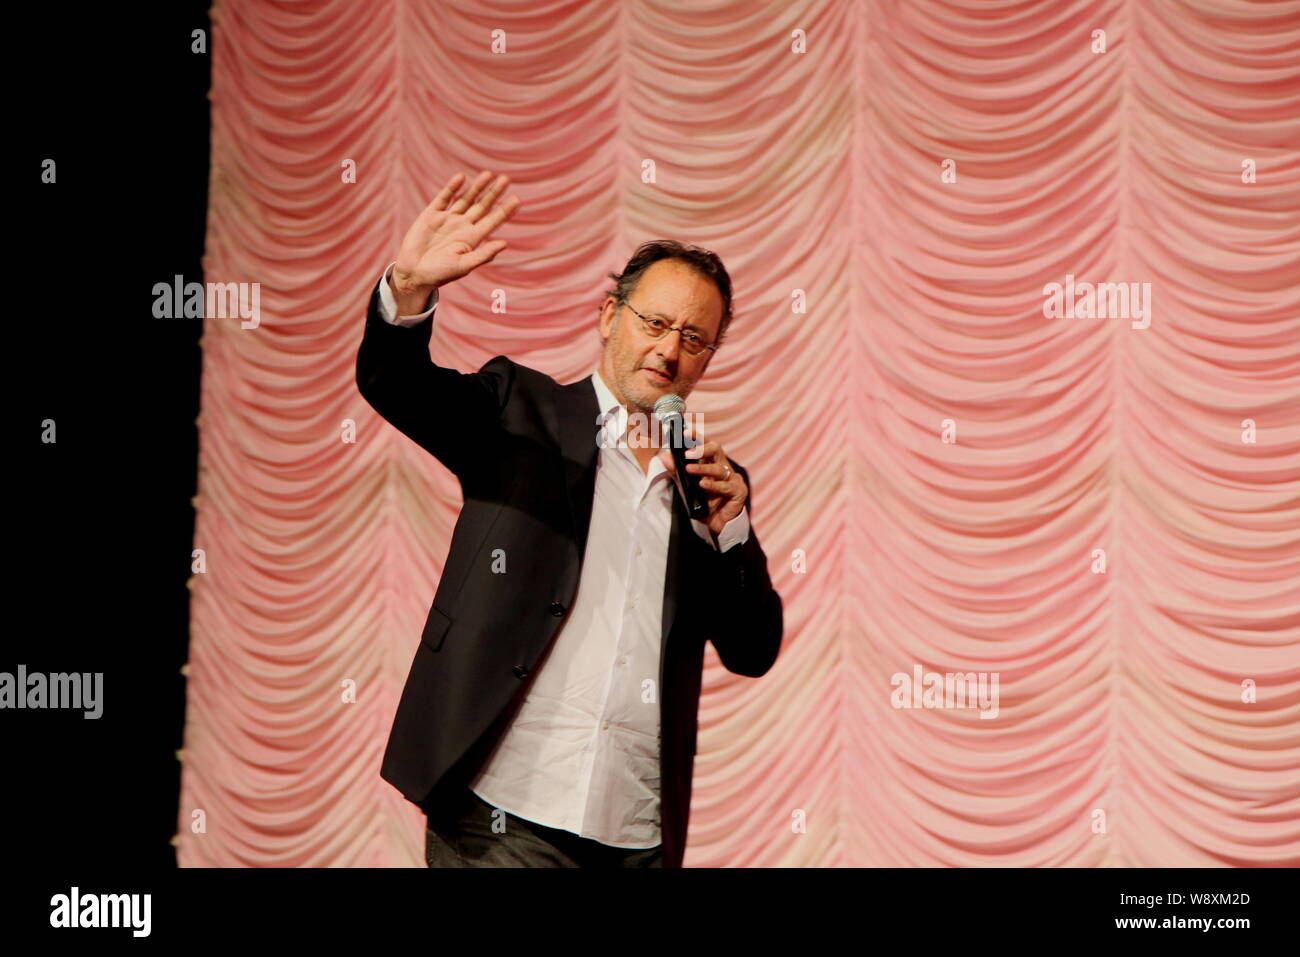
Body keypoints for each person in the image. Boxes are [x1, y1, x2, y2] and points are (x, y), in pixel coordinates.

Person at [356, 170, 784, 868]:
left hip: (634, 828)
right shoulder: (523, 413)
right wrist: (408, 288)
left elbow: (752, 647)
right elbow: (396, 385)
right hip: (503, 811)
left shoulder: (706, 487)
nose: (669, 351)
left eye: (694, 339)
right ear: (609, 314)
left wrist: (732, 531)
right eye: (654, 322)